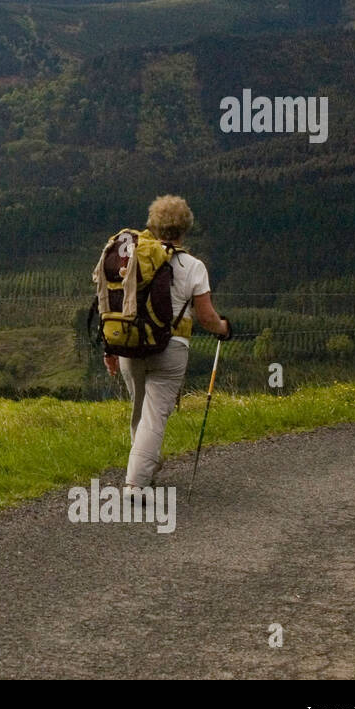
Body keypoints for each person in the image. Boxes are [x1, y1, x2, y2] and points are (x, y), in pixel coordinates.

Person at [103, 195, 231, 489]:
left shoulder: (134, 258)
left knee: (139, 411)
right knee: (155, 417)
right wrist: (224, 328)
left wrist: (109, 348)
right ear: (185, 228)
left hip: (130, 345)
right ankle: (136, 483)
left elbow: (115, 302)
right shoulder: (193, 266)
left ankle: (146, 465)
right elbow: (207, 317)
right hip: (171, 348)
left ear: (153, 225)